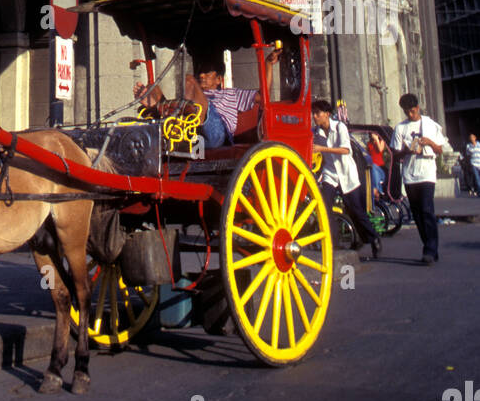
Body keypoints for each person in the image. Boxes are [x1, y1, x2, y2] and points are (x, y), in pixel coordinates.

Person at [134, 50, 278, 148]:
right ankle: (159, 106)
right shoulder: (195, 93)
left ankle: (168, 112)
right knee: (155, 87)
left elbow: (262, 96)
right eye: (201, 72)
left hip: (218, 135)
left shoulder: (231, 94)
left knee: (190, 82)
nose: (202, 75)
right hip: (192, 133)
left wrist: (268, 64)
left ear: (219, 79)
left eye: (207, 72)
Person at [312, 100, 381, 258]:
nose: (315, 116)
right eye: (313, 113)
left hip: (346, 174)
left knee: (356, 210)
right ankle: (333, 243)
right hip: (330, 174)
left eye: (318, 113)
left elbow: (345, 149)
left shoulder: (340, 127)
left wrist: (322, 149)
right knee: (324, 207)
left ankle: (372, 238)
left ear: (327, 114)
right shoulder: (316, 132)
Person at [391, 93, 444, 265]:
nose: (411, 115)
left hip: (427, 172)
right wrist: (407, 151)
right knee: (417, 213)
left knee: (427, 209)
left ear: (418, 108)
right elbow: (394, 152)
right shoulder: (400, 128)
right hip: (410, 173)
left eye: (413, 111)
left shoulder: (430, 124)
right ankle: (429, 245)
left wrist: (429, 143)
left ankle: (429, 249)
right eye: (407, 113)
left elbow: (440, 150)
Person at [366, 131, 389, 201]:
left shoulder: (381, 141)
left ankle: (378, 190)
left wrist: (376, 139)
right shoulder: (369, 143)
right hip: (371, 165)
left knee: (374, 169)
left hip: (379, 166)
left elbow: (380, 150)